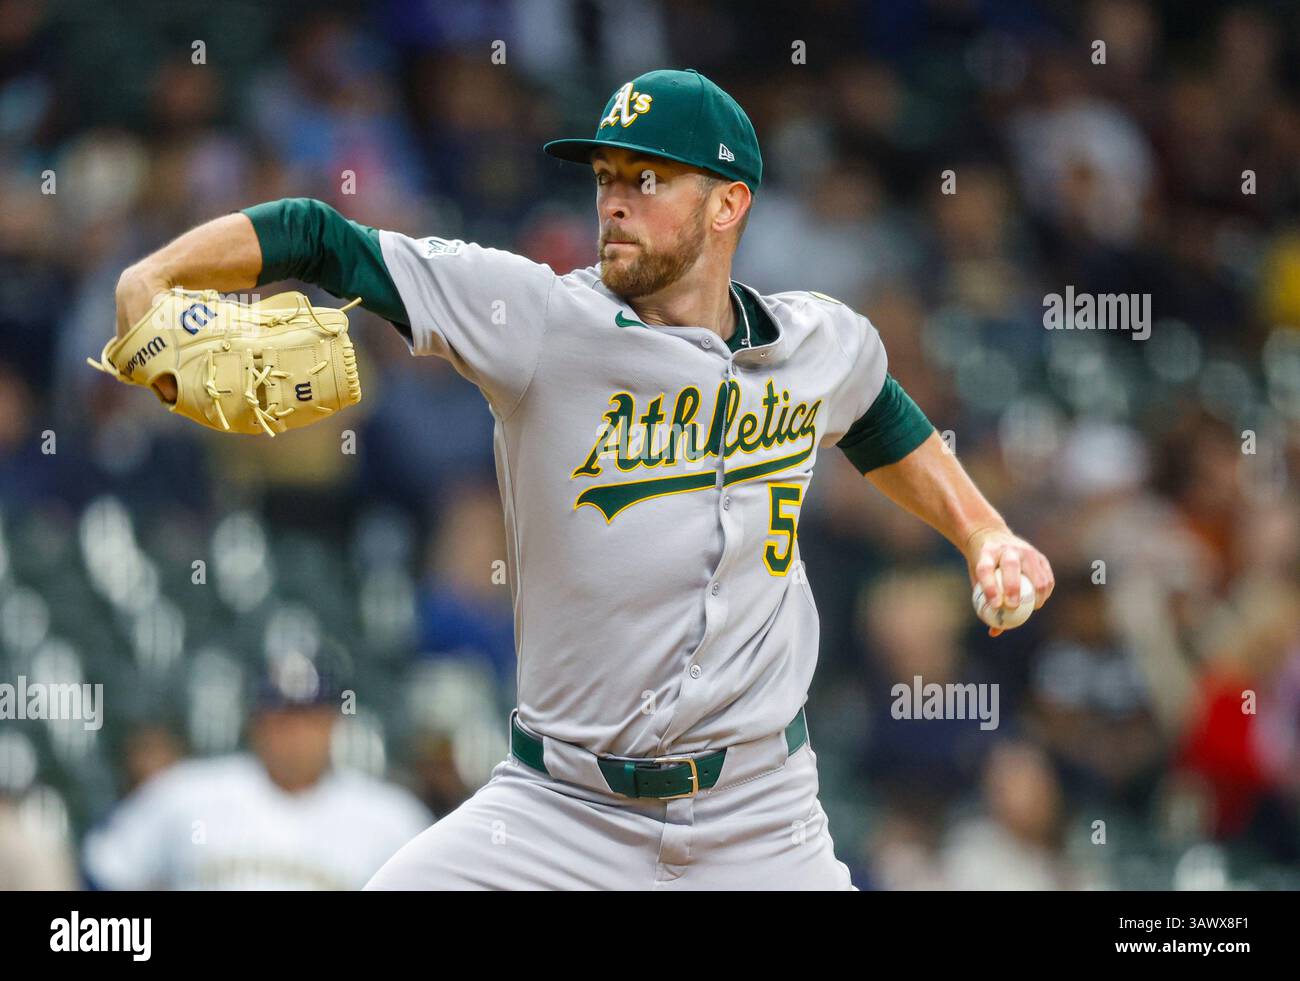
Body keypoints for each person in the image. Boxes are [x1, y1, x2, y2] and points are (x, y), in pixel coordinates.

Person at [112, 69, 1054, 890]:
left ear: (728, 204)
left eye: (647, 179)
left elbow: (881, 414)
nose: (614, 200)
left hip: (760, 817)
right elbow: (324, 237)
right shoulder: (538, 322)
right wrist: (158, 271)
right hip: (558, 810)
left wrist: (983, 533)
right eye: (606, 177)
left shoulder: (818, 341)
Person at [82, 652, 430, 889]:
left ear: (331, 725)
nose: (292, 734)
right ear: (255, 724)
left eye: (305, 720)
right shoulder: (186, 792)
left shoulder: (391, 816)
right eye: (279, 719)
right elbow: (108, 872)